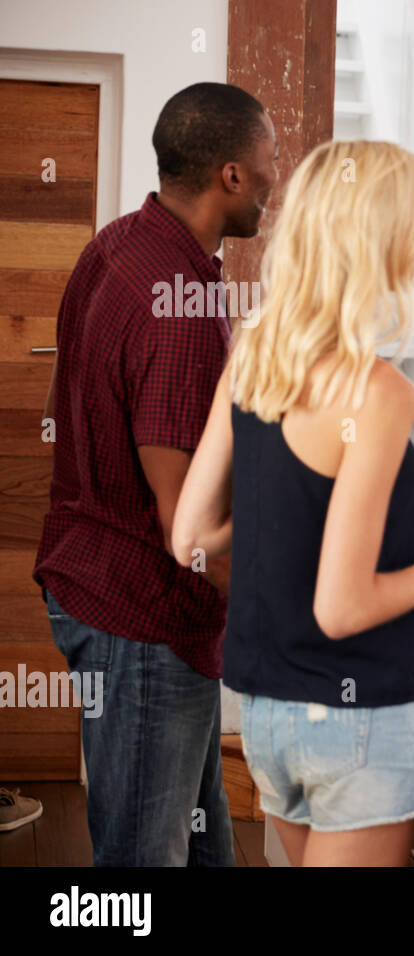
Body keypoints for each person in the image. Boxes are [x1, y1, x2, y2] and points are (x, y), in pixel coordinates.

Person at [172, 140, 414, 866]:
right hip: (360, 718)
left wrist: (276, 519)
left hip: (267, 711)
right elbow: (341, 610)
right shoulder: (378, 393)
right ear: (388, 242)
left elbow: (189, 536)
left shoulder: (252, 362)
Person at [33, 82, 278, 865]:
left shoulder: (118, 243)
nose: (277, 178)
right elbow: (190, 535)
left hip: (100, 586)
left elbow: (65, 399)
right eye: (271, 160)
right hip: (141, 618)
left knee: (203, 847)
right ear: (232, 175)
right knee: (143, 868)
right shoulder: (176, 311)